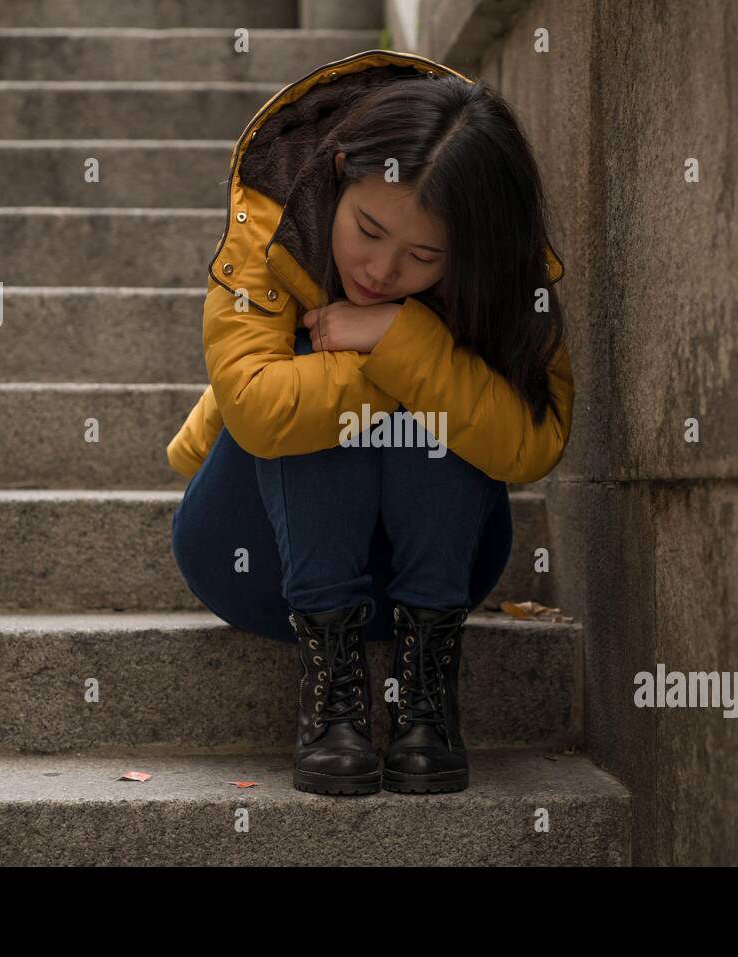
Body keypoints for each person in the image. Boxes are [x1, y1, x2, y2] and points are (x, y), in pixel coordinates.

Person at [167, 51, 573, 797]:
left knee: (440, 387)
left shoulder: (501, 255)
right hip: (248, 552)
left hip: (436, 572)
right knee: (317, 385)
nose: (381, 270)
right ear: (342, 170)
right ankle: (332, 705)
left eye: (423, 256)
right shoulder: (277, 195)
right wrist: (396, 354)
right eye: (368, 229)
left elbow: (534, 441)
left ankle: (427, 698)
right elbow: (256, 403)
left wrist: (399, 337)